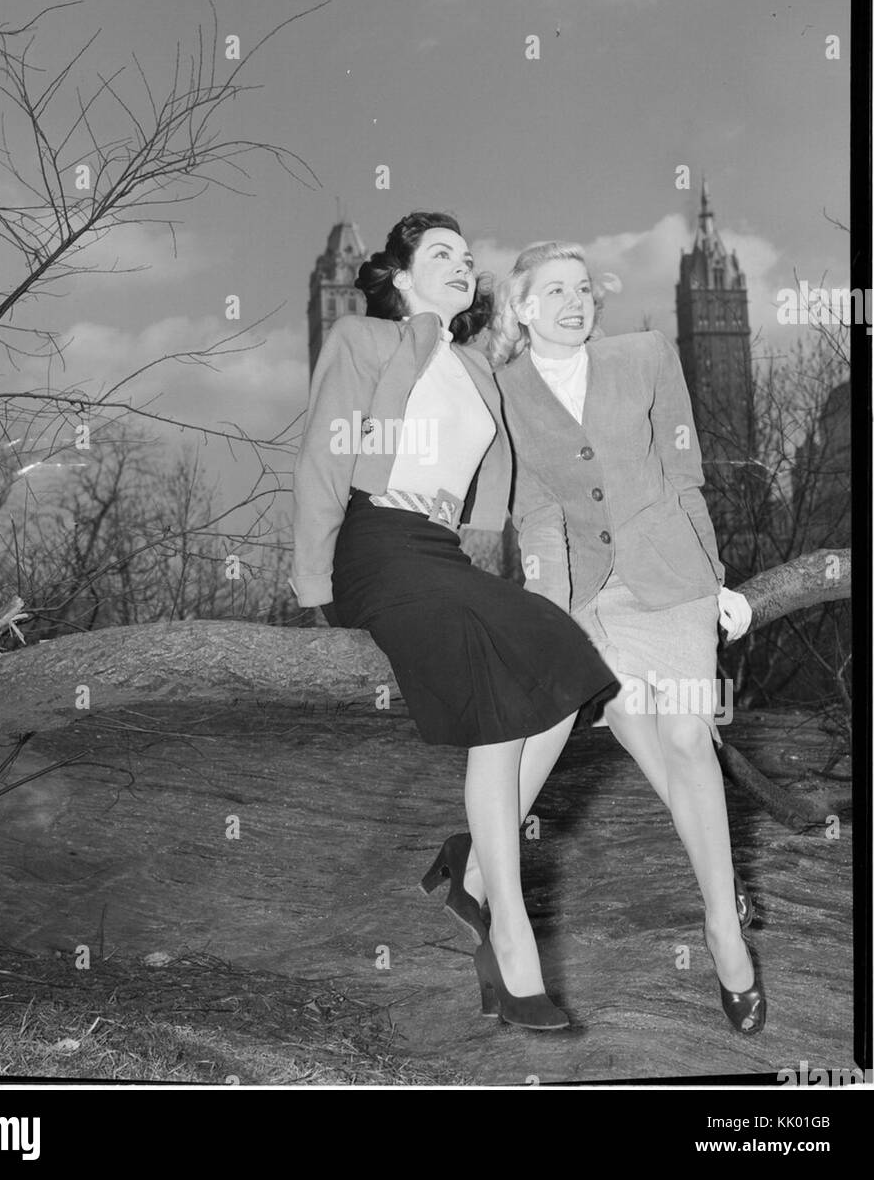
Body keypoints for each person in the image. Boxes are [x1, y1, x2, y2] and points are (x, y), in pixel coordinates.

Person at [291, 212, 618, 1029]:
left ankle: (472, 859)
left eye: (468, 258)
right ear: (399, 276)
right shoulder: (364, 341)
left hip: (440, 554)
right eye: (439, 254)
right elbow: (324, 459)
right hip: (374, 544)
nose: (460, 265)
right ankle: (511, 945)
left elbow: (526, 358)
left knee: (569, 663)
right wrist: (312, 585)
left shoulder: (474, 366)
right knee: (498, 713)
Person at [490, 240, 765, 1034]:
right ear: (522, 307)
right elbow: (532, 511)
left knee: (682, 733)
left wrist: (713, 578)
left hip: (665, 574)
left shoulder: (645, 354)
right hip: (582, 591)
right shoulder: (505, 393)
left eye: (583, 288)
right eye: (555, 291)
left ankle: (721, 927)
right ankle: (718, 884)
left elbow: (683, 469)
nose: (574, 302)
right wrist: (546, 609)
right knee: (633, 730)